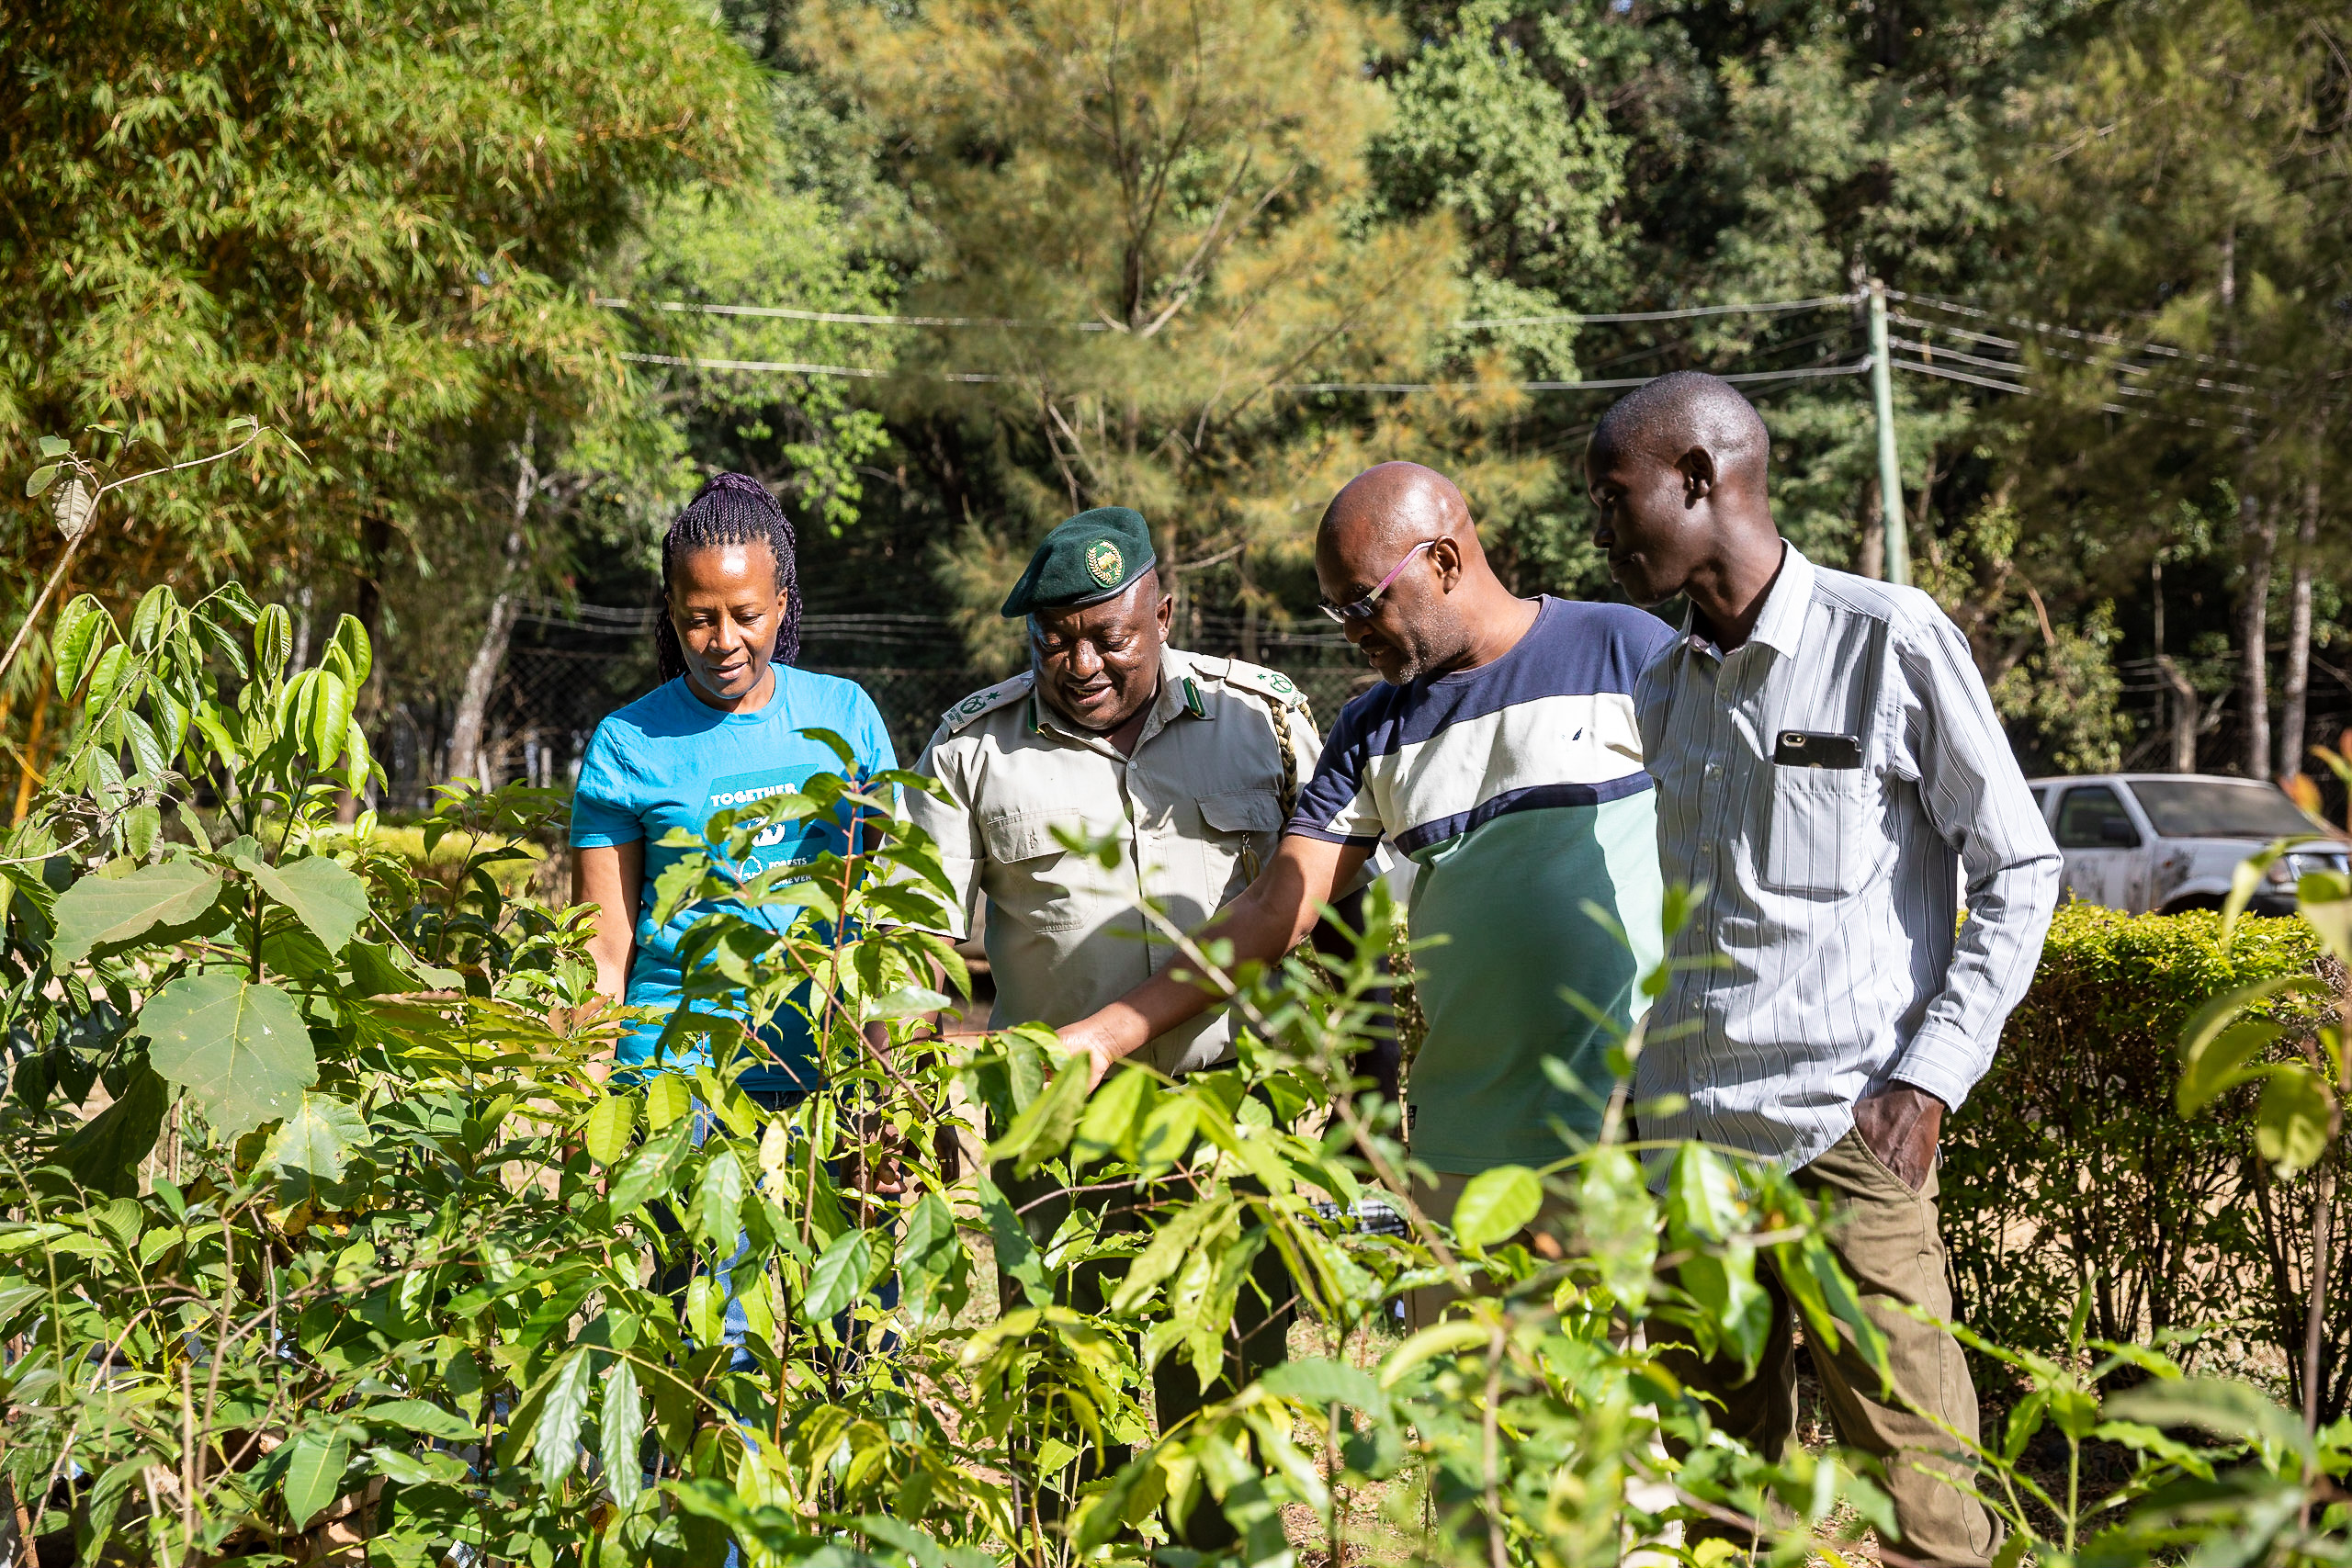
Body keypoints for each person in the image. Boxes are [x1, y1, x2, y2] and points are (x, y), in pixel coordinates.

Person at [1588, 371, 2061, 1568]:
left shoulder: (1886, 638)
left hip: (1845, 1146)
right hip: (1694, 1164)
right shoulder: (1662, 686)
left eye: (1613, 496)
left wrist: (1928, 1081)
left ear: (1699, 479)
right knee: (1720, 1511)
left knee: (1931, 1516)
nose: (1598, 530)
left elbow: (2021, 865)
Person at [1054, 465, 1678, 1328]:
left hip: (1629, 1130)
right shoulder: (1373, 726)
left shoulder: (1625, 651)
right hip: (1466, 1143)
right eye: (1333, 611)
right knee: (1477, 1436)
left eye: (1363, 603)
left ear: (1448, 561)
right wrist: (1109, 1032)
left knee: (1632, 1435)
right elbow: (1280, 907)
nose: (1350, 631)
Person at [903, 506, 1346, 1529]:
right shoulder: (974, 746)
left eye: (1111, 635)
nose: (1083, 661)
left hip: (1232, 1129)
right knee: (1065, 1408)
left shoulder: (1263, 719)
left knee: (1227, 1409)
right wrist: (914, 1091)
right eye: (1057, 639)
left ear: (1165, 610)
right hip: (1057, 1132)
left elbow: (1322, 907)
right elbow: (916, 940)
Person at [569, 473, 900, 1350]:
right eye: (698, 619)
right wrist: (585, 1103)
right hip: (686, 1084)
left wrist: (887, 1086)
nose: (722, 641)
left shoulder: (844, 716)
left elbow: (881, 920)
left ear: (782, 603)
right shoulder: (627, 743)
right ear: (670, 613)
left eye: (746, 615)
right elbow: (606, 949)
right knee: (716, 1343)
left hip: (823, 1073)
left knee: (859, 1342)